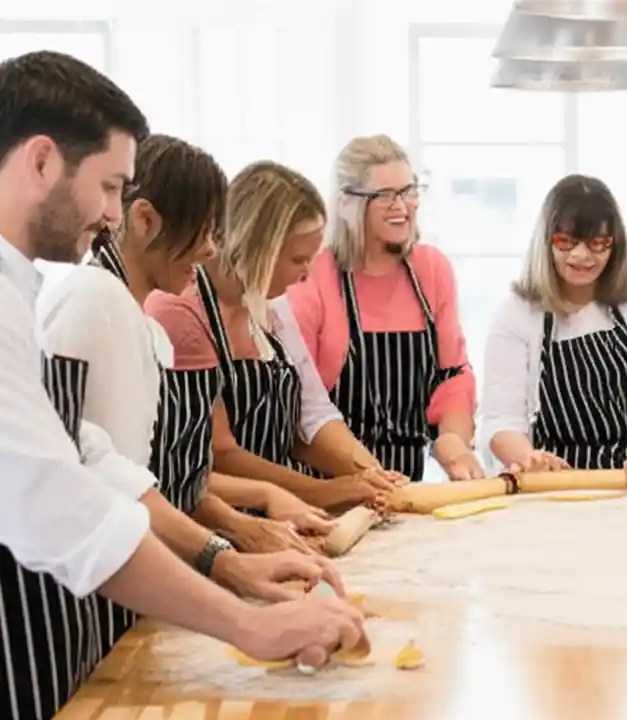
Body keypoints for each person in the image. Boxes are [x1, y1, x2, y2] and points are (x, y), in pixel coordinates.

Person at [0, 50, 362, 719]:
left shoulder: (18, 295)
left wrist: (225, 560)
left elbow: (90, 458)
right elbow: (56, 501)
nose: (113, 213)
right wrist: (245, 623)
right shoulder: (58, 301)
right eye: (109, 186)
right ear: (43, 161)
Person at [35, 134, 345, 653]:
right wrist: (228, 566)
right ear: (145, 221)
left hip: (126, 575)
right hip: (78, 597)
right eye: (203, 231)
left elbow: (127, 478)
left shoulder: (123, 309)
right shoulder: (94, 300)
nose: (208, 250)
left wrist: (227, 556)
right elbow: (103, 492)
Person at [147, 161, 404, 512]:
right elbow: (218, 455)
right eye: (298, 260)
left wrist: (371, 474)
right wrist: (319, 491)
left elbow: (311, 415)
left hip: (286, 510)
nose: (306, 276)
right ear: (256, 248)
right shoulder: (183, 313)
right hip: (223, 516)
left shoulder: (272, 306)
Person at [284, 135, 481, 482]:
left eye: (409, 191)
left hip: (406, 483)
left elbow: (452, 376)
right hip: (326, 485)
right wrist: (367, 476)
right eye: (385, 196)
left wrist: (453, 444)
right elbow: (304, 406)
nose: (402, 207)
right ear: (346, 202)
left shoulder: (431, 269)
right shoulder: (312, 276)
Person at [480, 174, 627, 471]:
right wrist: (529, 459)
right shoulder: (516, 313)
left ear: (615, 244)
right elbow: (500, 420)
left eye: (597, 243)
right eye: (566, 241)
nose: (582, 255)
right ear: (546, 240)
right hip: (554, 484)